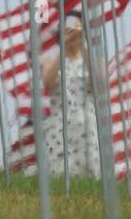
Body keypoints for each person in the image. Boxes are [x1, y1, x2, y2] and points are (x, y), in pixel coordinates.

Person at [41, 11, 102, 178]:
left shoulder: (92, 60)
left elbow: (97, 83)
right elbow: (48, 82)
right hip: (59, 129)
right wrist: (64, 48)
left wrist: (84, 45)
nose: (74, 32)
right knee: (60, 173)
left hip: (87, 128)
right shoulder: (49, 60)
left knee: (89, 175)